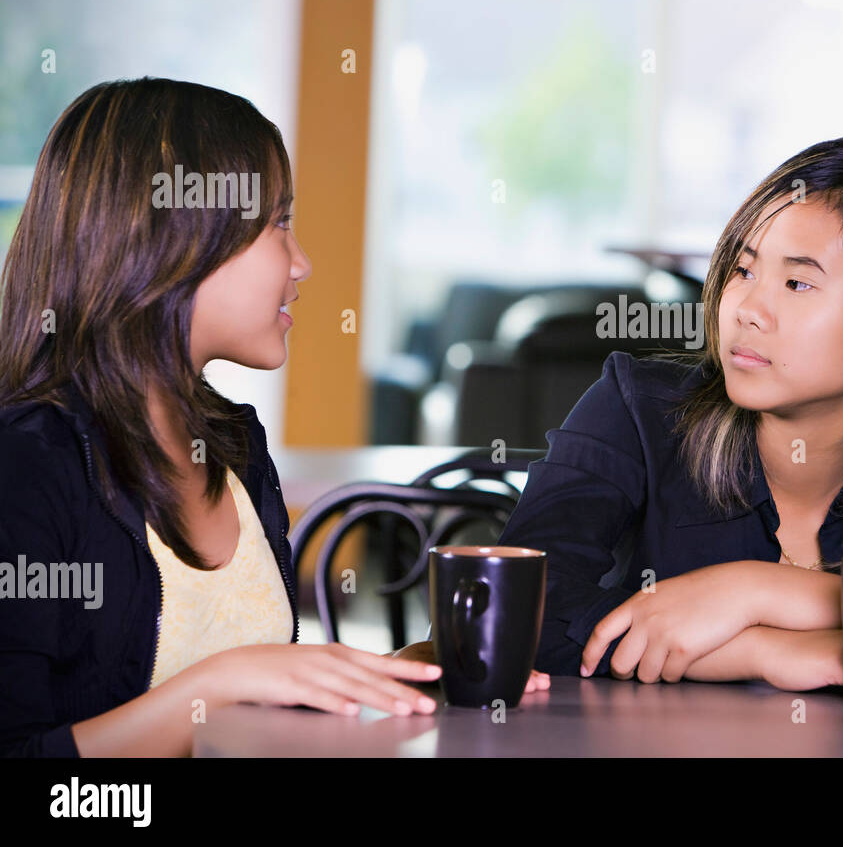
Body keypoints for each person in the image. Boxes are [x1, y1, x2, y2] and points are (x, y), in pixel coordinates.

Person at [0, 77, 548, 757]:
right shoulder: (27, 464)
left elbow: (260, 707)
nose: (303, 263)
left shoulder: (232, 443)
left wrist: (410, 670)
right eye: (279, 223)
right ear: (172, 237)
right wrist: (220, 686)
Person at [498, 136, 843, 694]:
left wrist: (754, 592)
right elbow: (510, 603)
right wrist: (765, 650)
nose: (746, 310)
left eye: (796, 283)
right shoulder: (639, 407)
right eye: (743, 271)